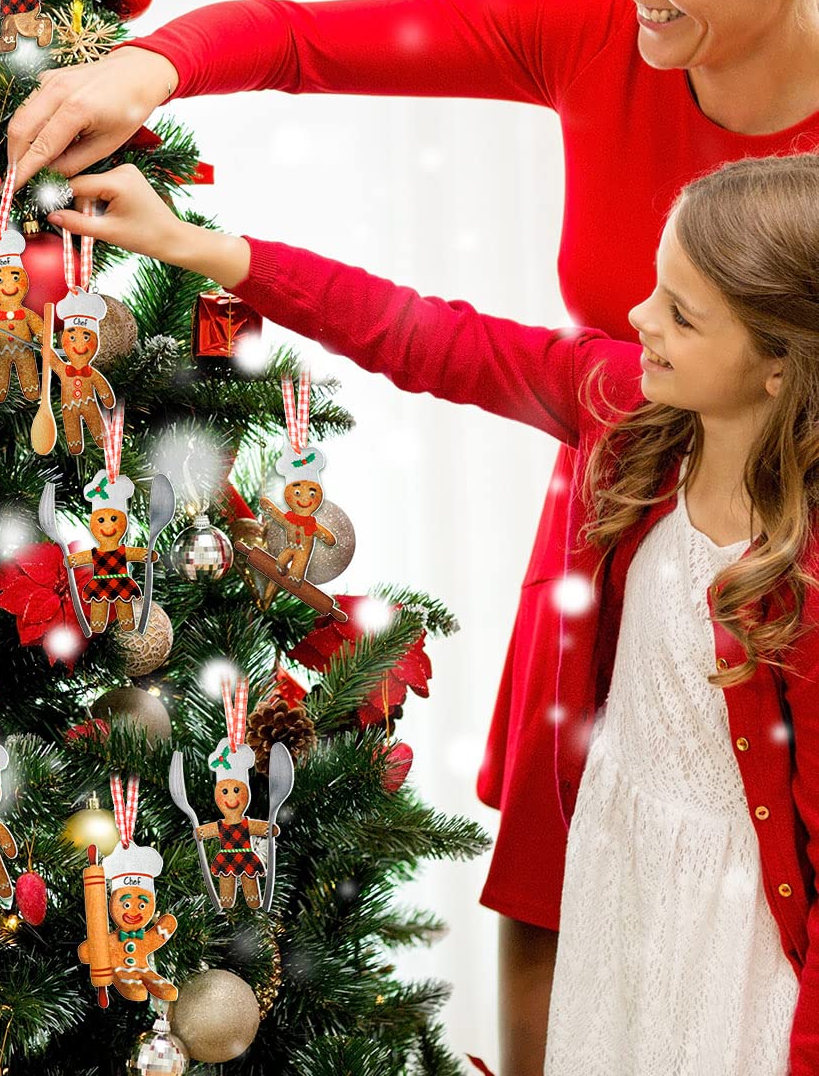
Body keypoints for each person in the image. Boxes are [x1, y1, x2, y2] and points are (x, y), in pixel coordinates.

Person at [7, 0, 819, 1073]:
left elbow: (473, 351)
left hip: (787, 578)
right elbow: (308, 46)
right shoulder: (595, 33)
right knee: (571, 874)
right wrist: (149, 70)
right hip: (619, 521)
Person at [53, 153, 819, 1073]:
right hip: (621, 873)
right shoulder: (627, 410)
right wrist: (193, 245)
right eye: (658, 288)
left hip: (740, 932)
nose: (639, 319)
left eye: (682, 315)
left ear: (780, 365)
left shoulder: (805, 571)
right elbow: (421, 337)